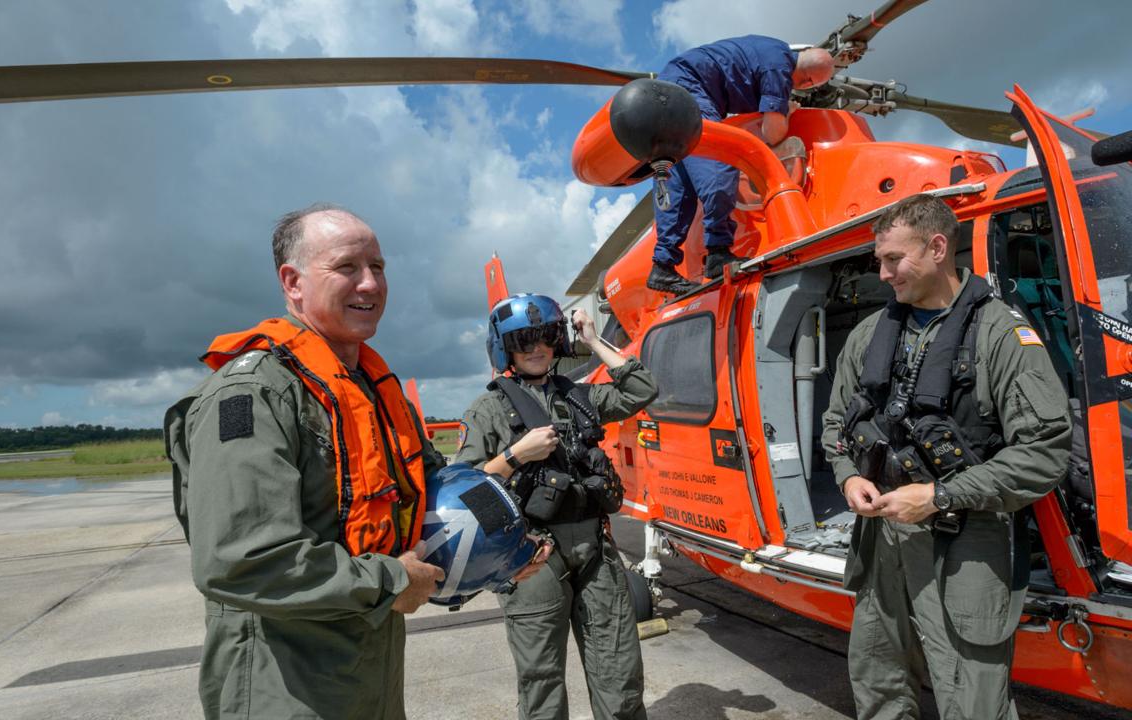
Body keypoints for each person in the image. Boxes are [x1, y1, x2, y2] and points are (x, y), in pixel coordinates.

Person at [164, 203, 447, 720]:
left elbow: (430, 493)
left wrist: (505, 548)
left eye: (378, 268)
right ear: (292, 282)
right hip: (287, 686)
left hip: (369, 672)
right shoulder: (251, 395)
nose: (371, 284)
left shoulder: (376, 395)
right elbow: (242, 558)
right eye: (347, 267)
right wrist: (392, 582)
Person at [820, 194, 1072, 719]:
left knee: (973, 698)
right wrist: (848, 478)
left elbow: (1045, 453)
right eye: (879, 261)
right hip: (881, 534)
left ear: (938, 248)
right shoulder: (871, 334)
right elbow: (836, 422)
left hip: (966, 538)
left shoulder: (1000, 335)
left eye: (894, 259)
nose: (883, 274)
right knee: (878, 677)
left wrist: (938, 494)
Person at [455, 294, 657, 720]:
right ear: (505, 348)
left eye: (545, 335)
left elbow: (642, 388)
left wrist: (593, 338)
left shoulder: (581, 398)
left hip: (595, 550)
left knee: (620, 676)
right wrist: (516, 456)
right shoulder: (487, 410)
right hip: (532, 556)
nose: (535, 347)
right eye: (523, 339)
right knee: (542, 682)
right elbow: (466, 496)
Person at [648, 36, 835, 295]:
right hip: (688, 91)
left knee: (680, 185)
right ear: (806, 81)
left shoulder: (769, 52)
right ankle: (718, 251)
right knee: (722, 162)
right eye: (809, 84)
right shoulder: (779, 68)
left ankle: (663, 266)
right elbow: (772, 134)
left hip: (665, 98)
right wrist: (786, 111)